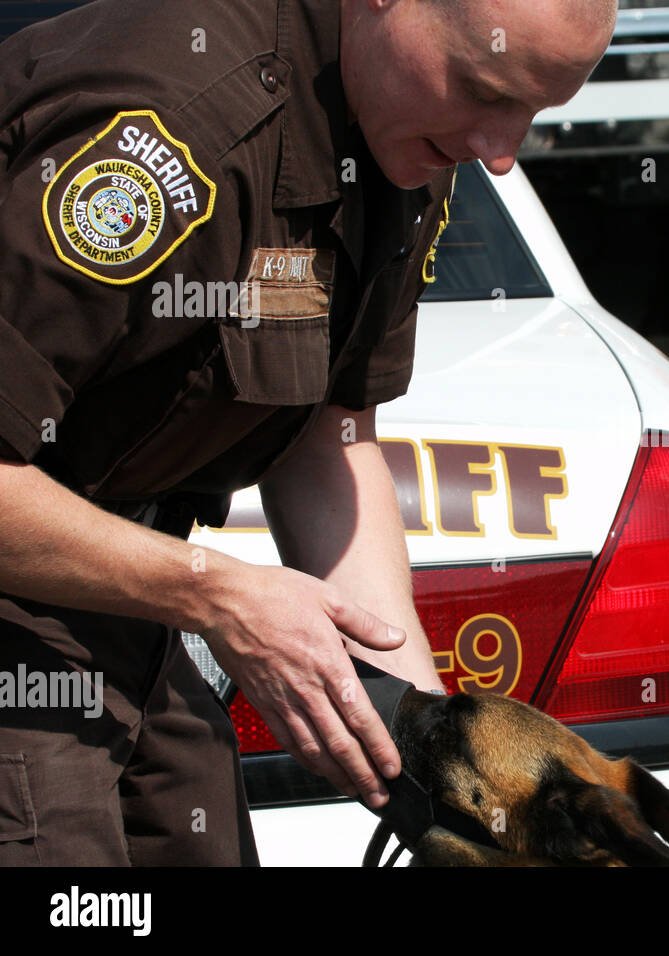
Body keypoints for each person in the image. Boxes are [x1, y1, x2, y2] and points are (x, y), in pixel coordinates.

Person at [0, 0, 616, 865]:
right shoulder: (170, 139)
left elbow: (333, 438)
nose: (500, 149)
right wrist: (215, 593)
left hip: (112, 598)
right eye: (483, 89)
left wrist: (429, 753)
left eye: (534, 112)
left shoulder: (411, 137)